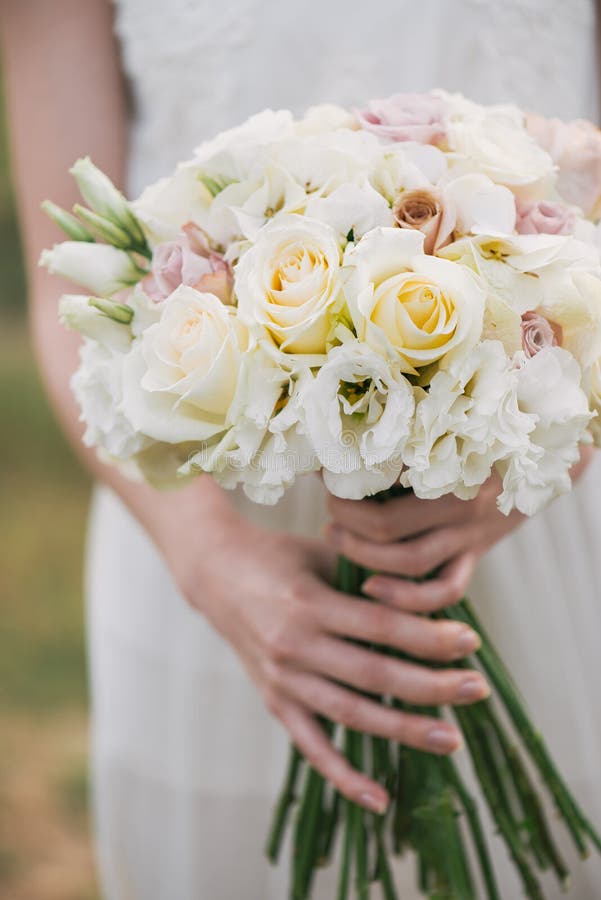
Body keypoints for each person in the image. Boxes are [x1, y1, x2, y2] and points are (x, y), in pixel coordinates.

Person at [2, 0, 600, 897]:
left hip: (532, 468)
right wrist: (209, 557)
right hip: (205, 525)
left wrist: (549, 441)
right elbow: (63, 280)